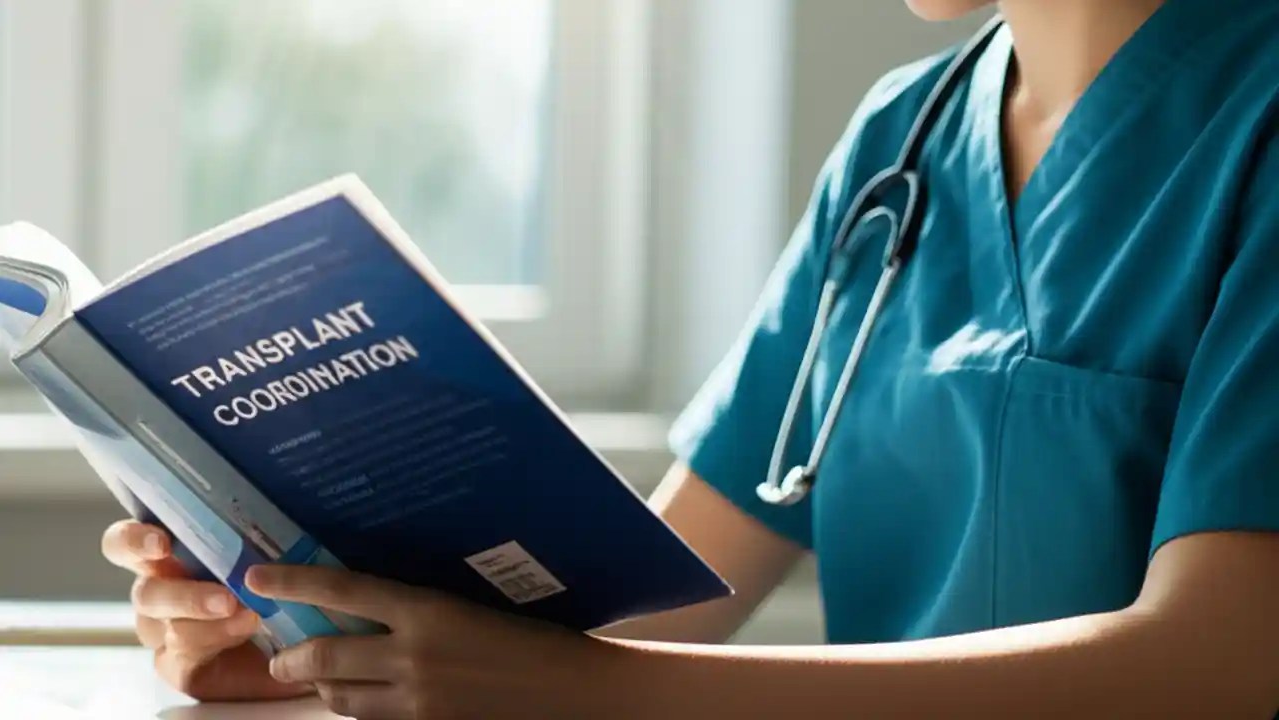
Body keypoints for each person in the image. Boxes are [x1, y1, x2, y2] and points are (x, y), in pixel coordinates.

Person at [102, 0, 1279, 717]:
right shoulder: (900, 141)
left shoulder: (1255, 122)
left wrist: (599, 698)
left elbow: (1222, 662)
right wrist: (316, 650)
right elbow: (651, 617)